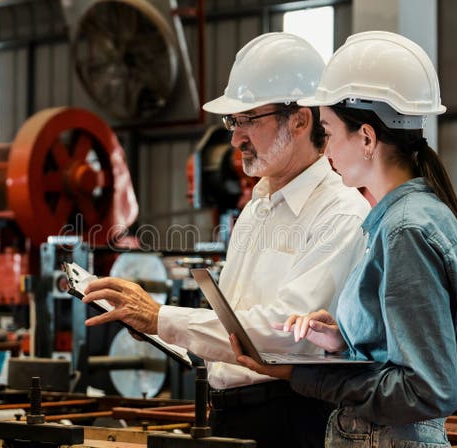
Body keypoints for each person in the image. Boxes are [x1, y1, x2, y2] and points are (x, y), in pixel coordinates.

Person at [81, 32, 371, 448]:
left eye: (249, 119)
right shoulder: (256, 210)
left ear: (301, 120)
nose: (236, 138)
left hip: (290, 418)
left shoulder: (340, 214)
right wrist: (158, 330)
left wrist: (161, 317)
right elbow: (234, 327)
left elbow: (285, 335)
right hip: (230, 414)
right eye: (233, 122)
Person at [230, 31, 457, 447]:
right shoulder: (407, 219)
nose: (325, 148)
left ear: (367, 138)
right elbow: (403, 358)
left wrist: (308, 375)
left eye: (329, 132)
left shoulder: (406, 230)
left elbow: (426, 389)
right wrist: (344, 340)